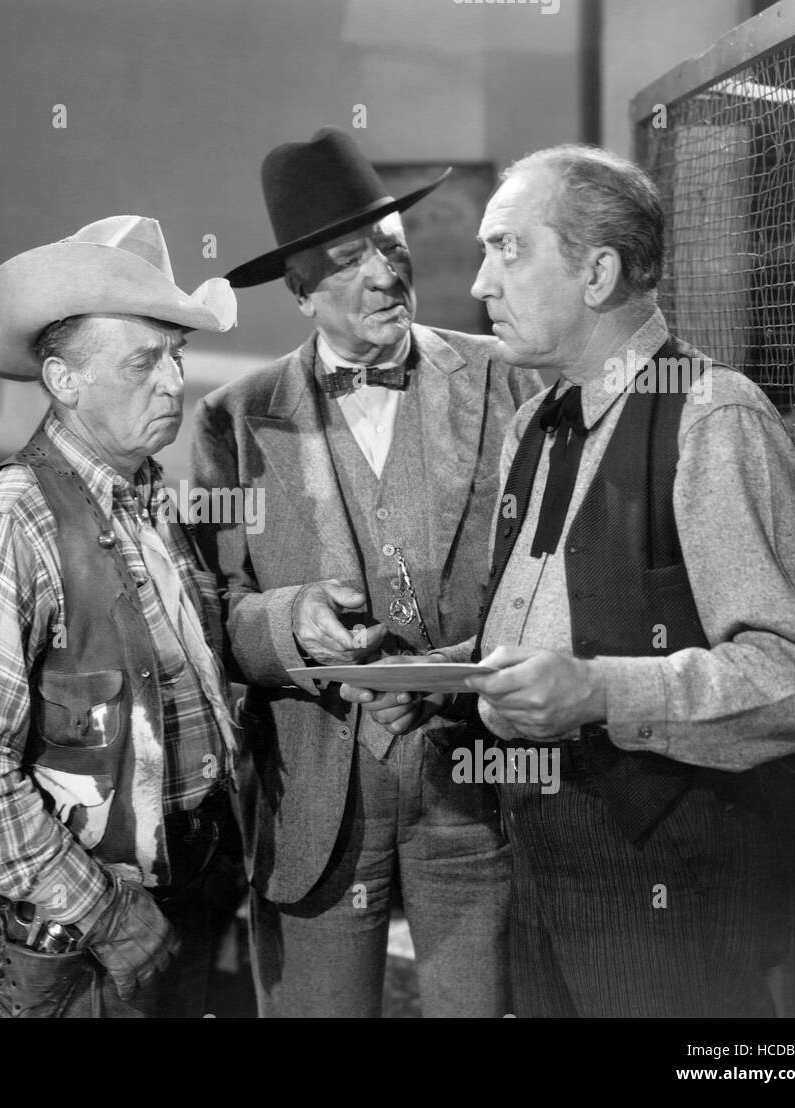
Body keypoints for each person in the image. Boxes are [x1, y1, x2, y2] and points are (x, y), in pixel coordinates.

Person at [353, 144, 795, 1017]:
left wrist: (595, 691)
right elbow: (560, 634)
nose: (480, 285)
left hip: (669, 888)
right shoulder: (537, 424)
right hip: (544, 866)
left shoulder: (710, 415)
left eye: (507, 249)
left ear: (598, 272)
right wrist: (451, 681)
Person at [190, 127, 542, 1017]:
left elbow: (549, 569)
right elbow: (209, 612)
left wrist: (464, 667)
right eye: (348, 262)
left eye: (390, 247)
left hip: (479, 787)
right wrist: (288, 621)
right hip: (315, 805)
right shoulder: (235, 422)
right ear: (302, 289)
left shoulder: (505, 382)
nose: (386, 275)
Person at [0, 215, 241, 1018]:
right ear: (63, 379)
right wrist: (100, 909)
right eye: (143, 362)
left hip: (182, 897)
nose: (173, 383)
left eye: (177, 356)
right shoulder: (16, 517)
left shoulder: (151, 498)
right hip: (81, 946)